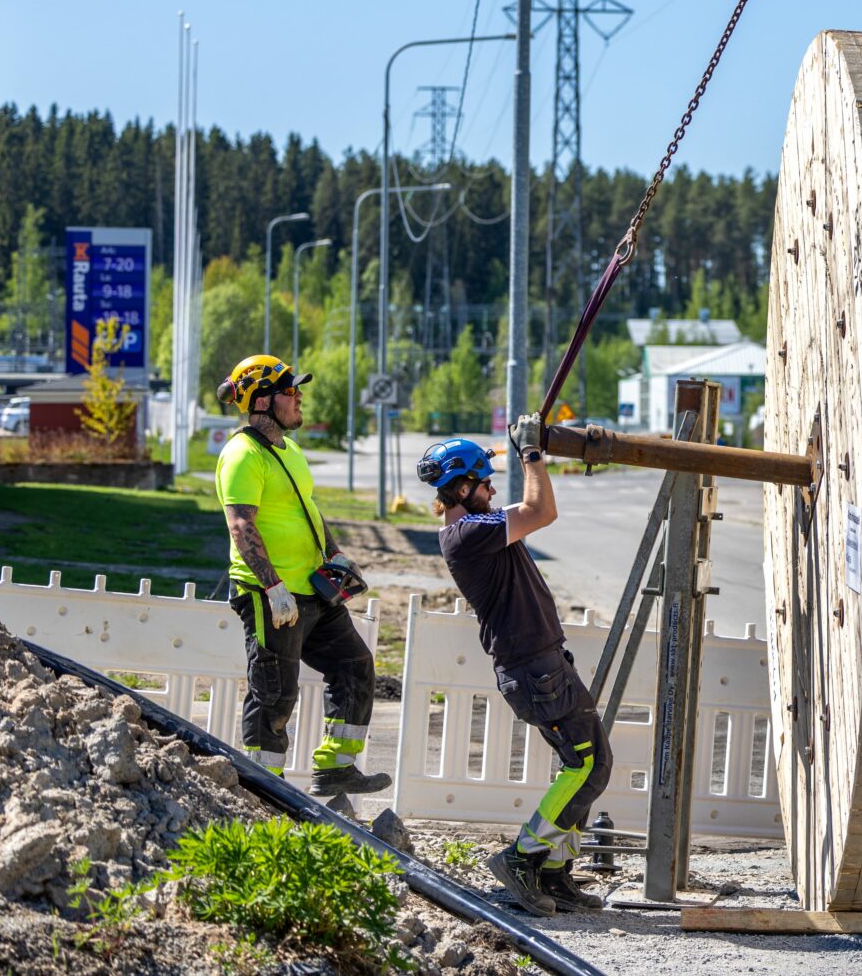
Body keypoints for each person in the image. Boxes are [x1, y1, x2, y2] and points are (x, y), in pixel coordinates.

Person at [421, 419, 610, 917]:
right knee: (587, 766)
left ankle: (554, 872)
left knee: (589, 766)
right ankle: (523, 857)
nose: (490, 490)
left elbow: (528, 511)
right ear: (463, 488)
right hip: (534, 670)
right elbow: (541, 510)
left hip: (542, 667)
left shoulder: (478, 529)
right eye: (484, 482)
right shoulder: (467, 535)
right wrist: (530, 453)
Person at [215, 353, 389, 797]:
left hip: (312, 589)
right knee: (275, 692)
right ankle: (262, 784)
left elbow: (306, 508)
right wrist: (273, 587)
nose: (299, 399)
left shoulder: (288, 450)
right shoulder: (242, 454)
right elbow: (242, 525)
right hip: (272, 594)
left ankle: (336, 767)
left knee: (354, 666)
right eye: (291, 392)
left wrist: (336, 555)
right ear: (262, 401)